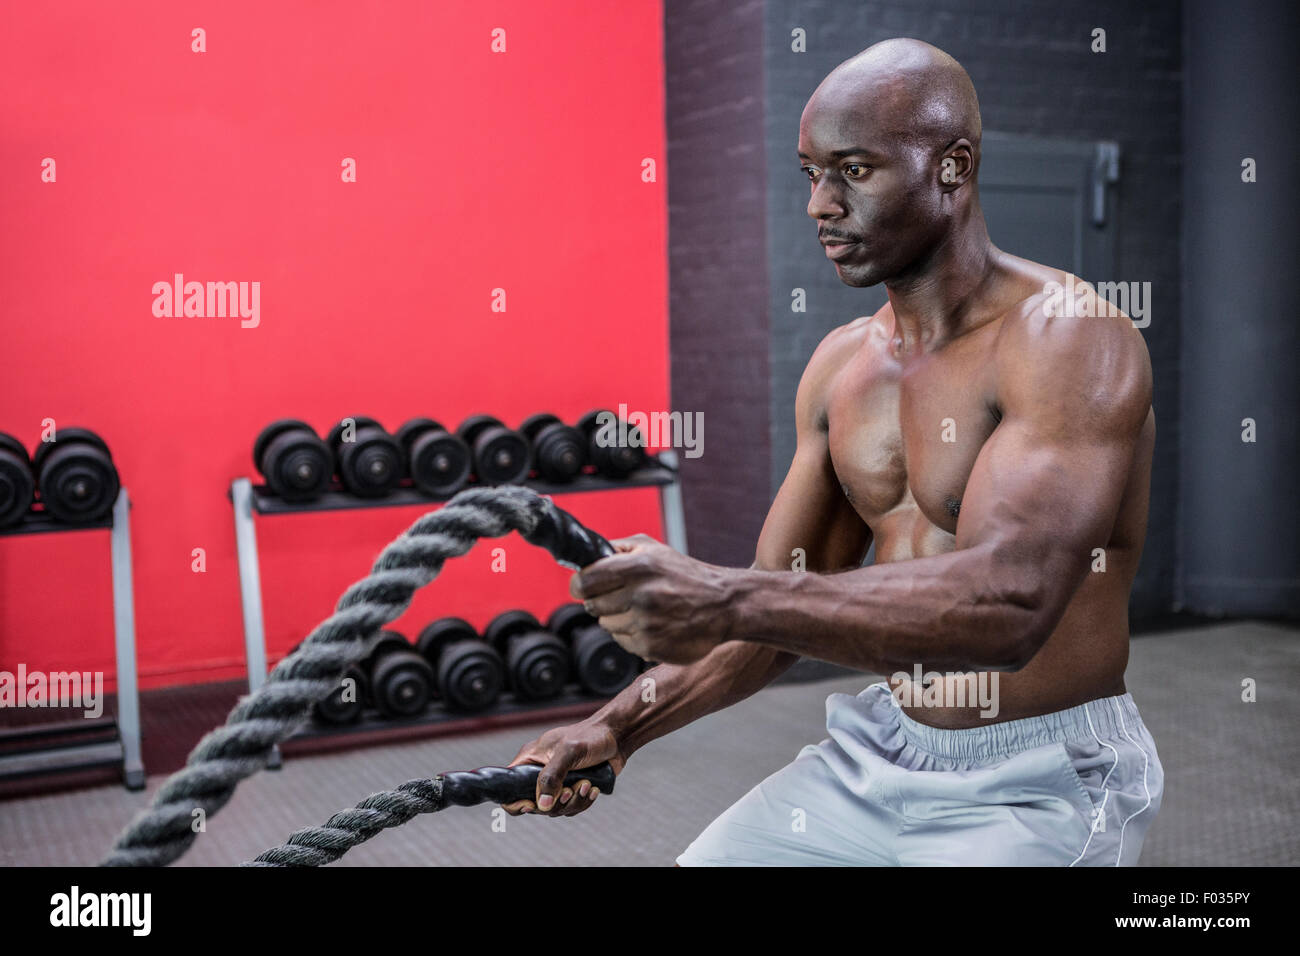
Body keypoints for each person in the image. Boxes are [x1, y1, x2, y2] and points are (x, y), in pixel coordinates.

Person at [502, 37, 1162, 866]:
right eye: (810, 172)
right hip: (880, 753)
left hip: (1040, 776)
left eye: (853, 170)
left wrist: (726, 595)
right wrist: (616, 726)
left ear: (951, 168)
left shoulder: (1069, 337)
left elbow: (1011, 606)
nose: (819, 204)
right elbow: (774, 612)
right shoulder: (843, 367)